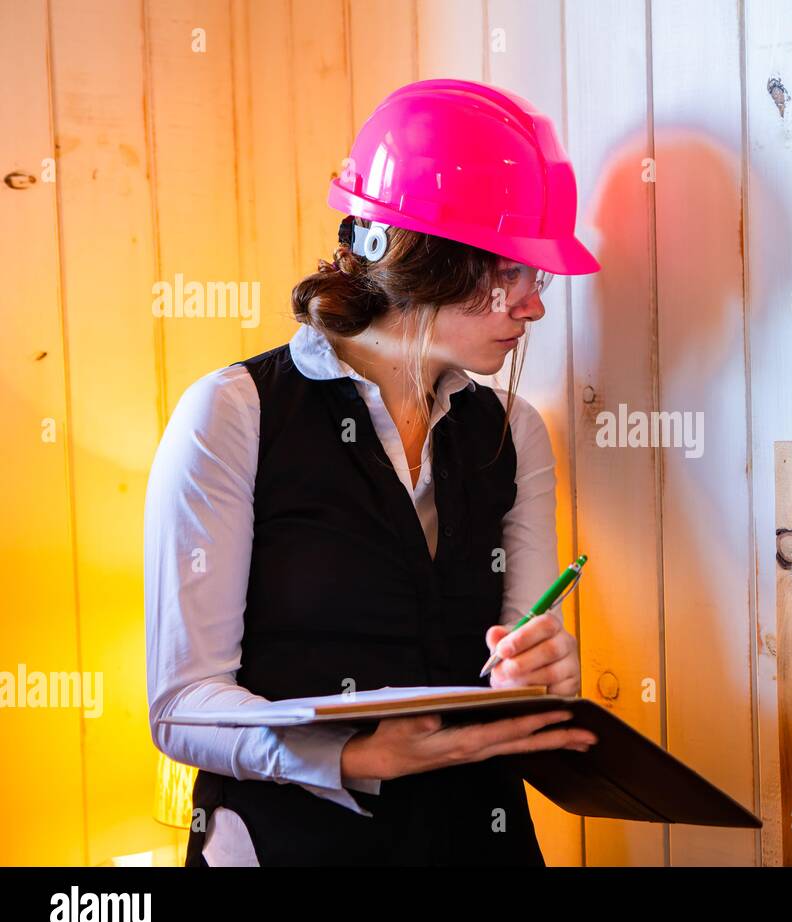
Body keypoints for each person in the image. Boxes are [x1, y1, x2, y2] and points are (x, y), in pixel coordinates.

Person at [144, 79, 601, 866]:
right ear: (427, 260)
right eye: (515, 272)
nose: (535, 307)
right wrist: (348, 758)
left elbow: (523, 670)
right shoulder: (234, 414)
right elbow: (183, 707)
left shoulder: (517, 432)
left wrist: (547, 668)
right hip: (289, 844)